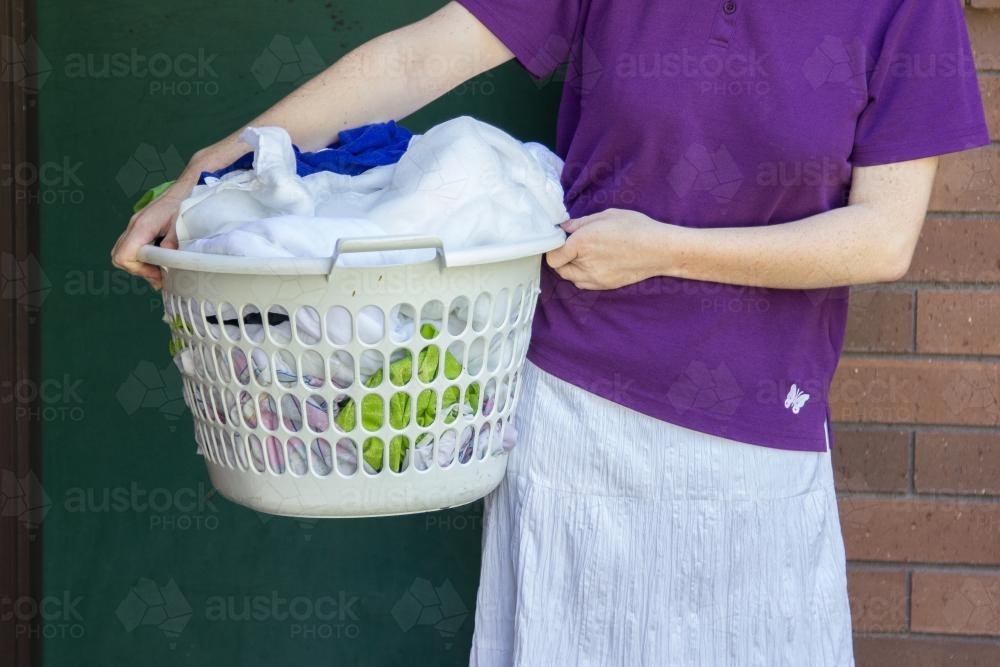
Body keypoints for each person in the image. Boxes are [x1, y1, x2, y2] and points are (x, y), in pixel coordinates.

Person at [112, 1, 990, 664]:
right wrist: (220, 165)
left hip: (758, 445)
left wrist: (666, 250)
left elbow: (881, 237)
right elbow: (419, 57)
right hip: (574, 420)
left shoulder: (908, 10)